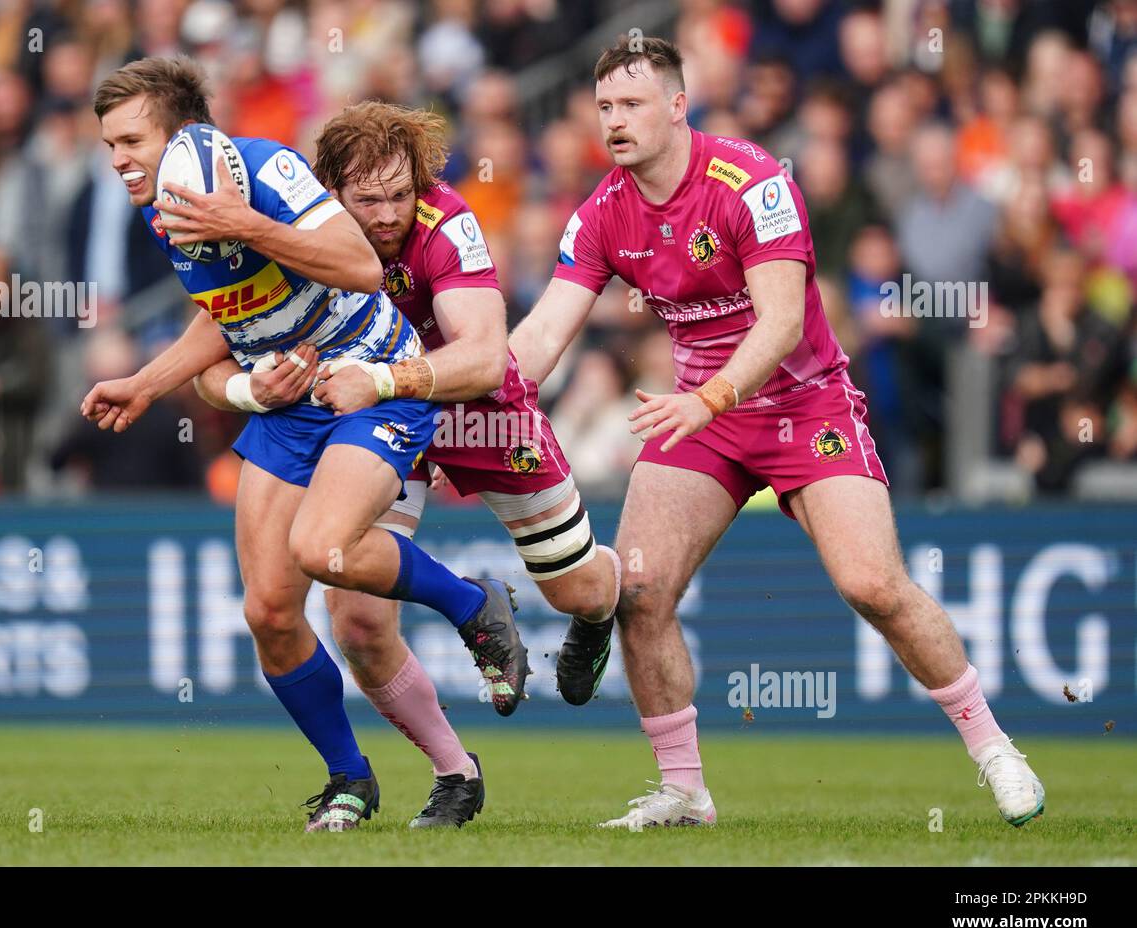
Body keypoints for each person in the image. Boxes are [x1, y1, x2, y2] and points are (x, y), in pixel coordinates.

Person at [508, 36, 1045, 830]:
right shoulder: (602, 213)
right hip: (705, 418)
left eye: (631, 104)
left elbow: (785, 321)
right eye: (605, 108)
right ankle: (685, 792)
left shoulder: (751, 180)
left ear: (678, 106)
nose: (614, 122)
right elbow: (543, 336)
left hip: (804, 406)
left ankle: (996, 748)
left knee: (871, 583)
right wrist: (469, 395)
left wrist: (711, 396)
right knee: (642, 593)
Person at [83, 56, 526, 832]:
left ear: (182, 134)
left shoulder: (267, 168)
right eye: (110, 144)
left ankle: (471, 604)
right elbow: (228, 308)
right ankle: (350, 778)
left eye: (129, 141)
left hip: (367, 382)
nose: (117, 158)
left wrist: (242, 223)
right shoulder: (164, 205)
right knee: (267, 610)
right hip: (291, 410)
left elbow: (362, 265)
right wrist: (146, 383)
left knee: (323, 549)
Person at [188, 101, 622, 826]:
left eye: (401, 194)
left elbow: (484, 357)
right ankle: (456, 773)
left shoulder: (446, 224)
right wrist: (239, 387)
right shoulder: (297, 233)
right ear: (328, 190)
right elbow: (207, 350)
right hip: (377, 417)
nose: (389, 213)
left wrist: (387, 380)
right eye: (368, 200)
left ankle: (608, 599)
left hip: (475, 410)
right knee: (354, 614)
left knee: (572, 589)